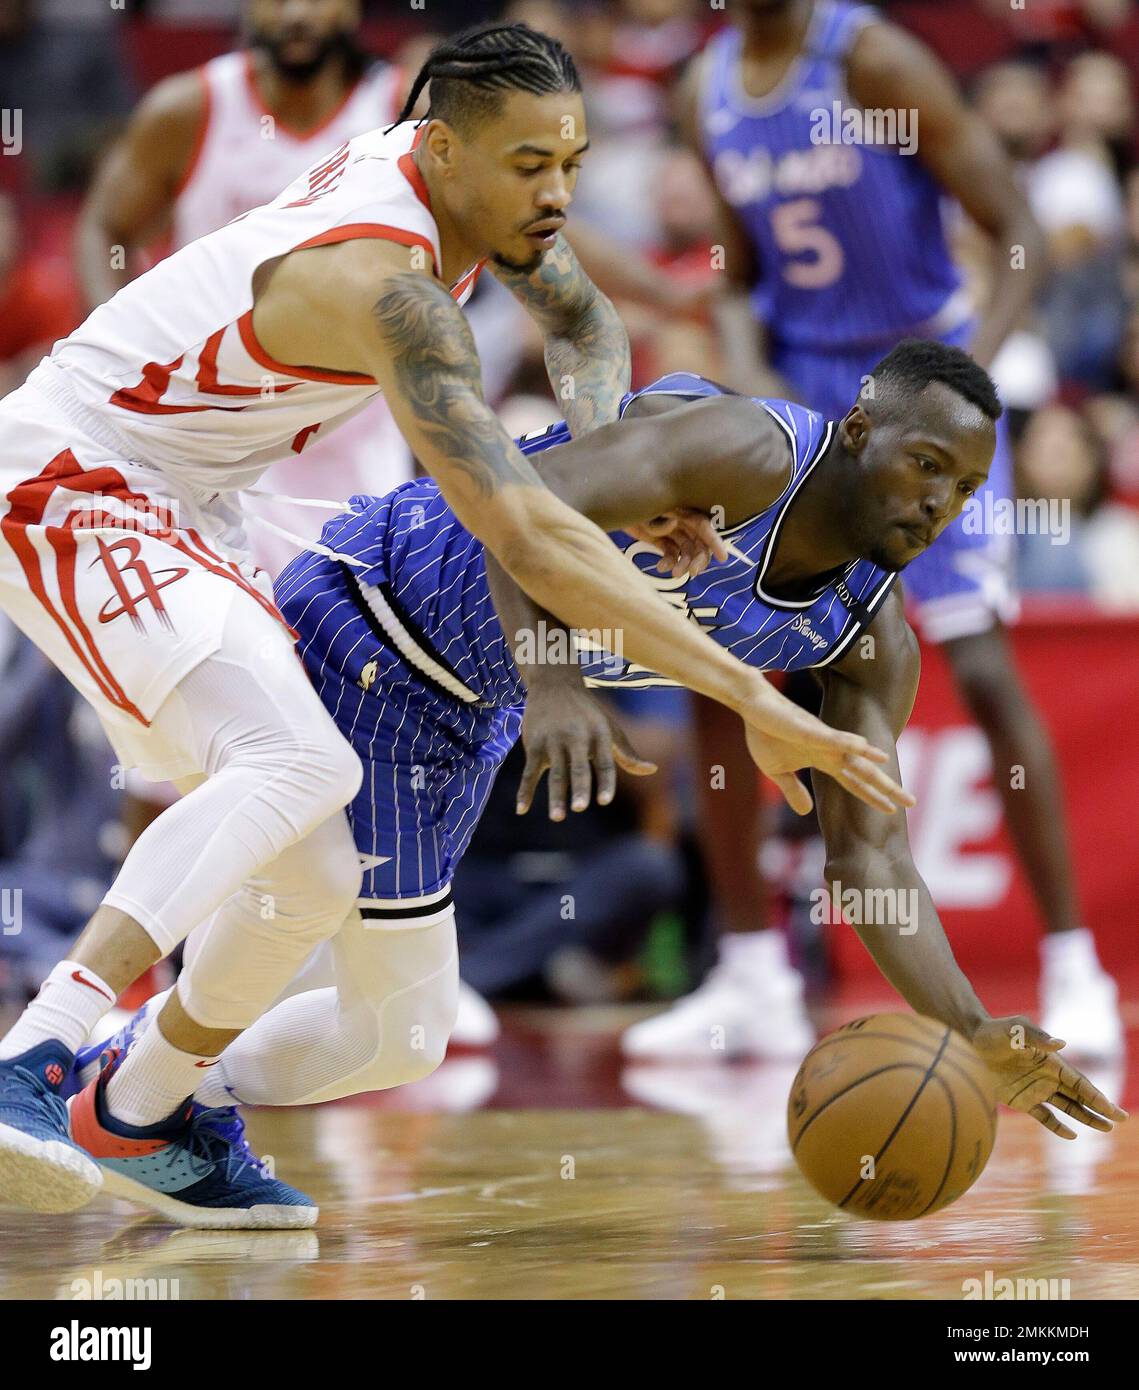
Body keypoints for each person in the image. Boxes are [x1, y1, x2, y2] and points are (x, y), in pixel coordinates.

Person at [0, 21, 892, 1228]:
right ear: (440, 150)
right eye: (530, 166)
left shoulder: (468, 198)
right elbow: (525, 539)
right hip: (77, 477)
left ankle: (144, 1109)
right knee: (297, 761)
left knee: (313, 864)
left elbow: (583, 326)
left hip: (189, 495)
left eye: (570, 161)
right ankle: (41, 1055)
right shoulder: (397, 291)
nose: (558, 192)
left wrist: (605, 447)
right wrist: (748, 695)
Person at [69, 348, 1124, 1233]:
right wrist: (552, 679)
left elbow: (869, 855)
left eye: (960, 487)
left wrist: (973, 1027)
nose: (936, 501)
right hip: (377, 604)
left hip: (465, 703)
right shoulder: (749, 456)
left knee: (402, 1031)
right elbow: (518, 505)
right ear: (857, 430)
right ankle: (116, 1086)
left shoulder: (866, 636)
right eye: (923, 463)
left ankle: (142, 1086)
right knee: (311, 930)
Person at [625, 0, 1121, 1063]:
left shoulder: (870, 57)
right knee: (718, 666)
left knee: (980, 666)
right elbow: (741, 279)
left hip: (922, 383)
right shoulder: (704, 88)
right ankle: (750, 971)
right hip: (808, 395)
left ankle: (1071, 964)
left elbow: (1016, 232)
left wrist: (967, 382)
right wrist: (748, 381)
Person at [75, 0, 412, 576]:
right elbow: (105, 227)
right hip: (216, 427)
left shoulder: (402, 109)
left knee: (356, 647)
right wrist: (124, 346)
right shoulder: (191, 108)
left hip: (355, 430)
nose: (298, 13)